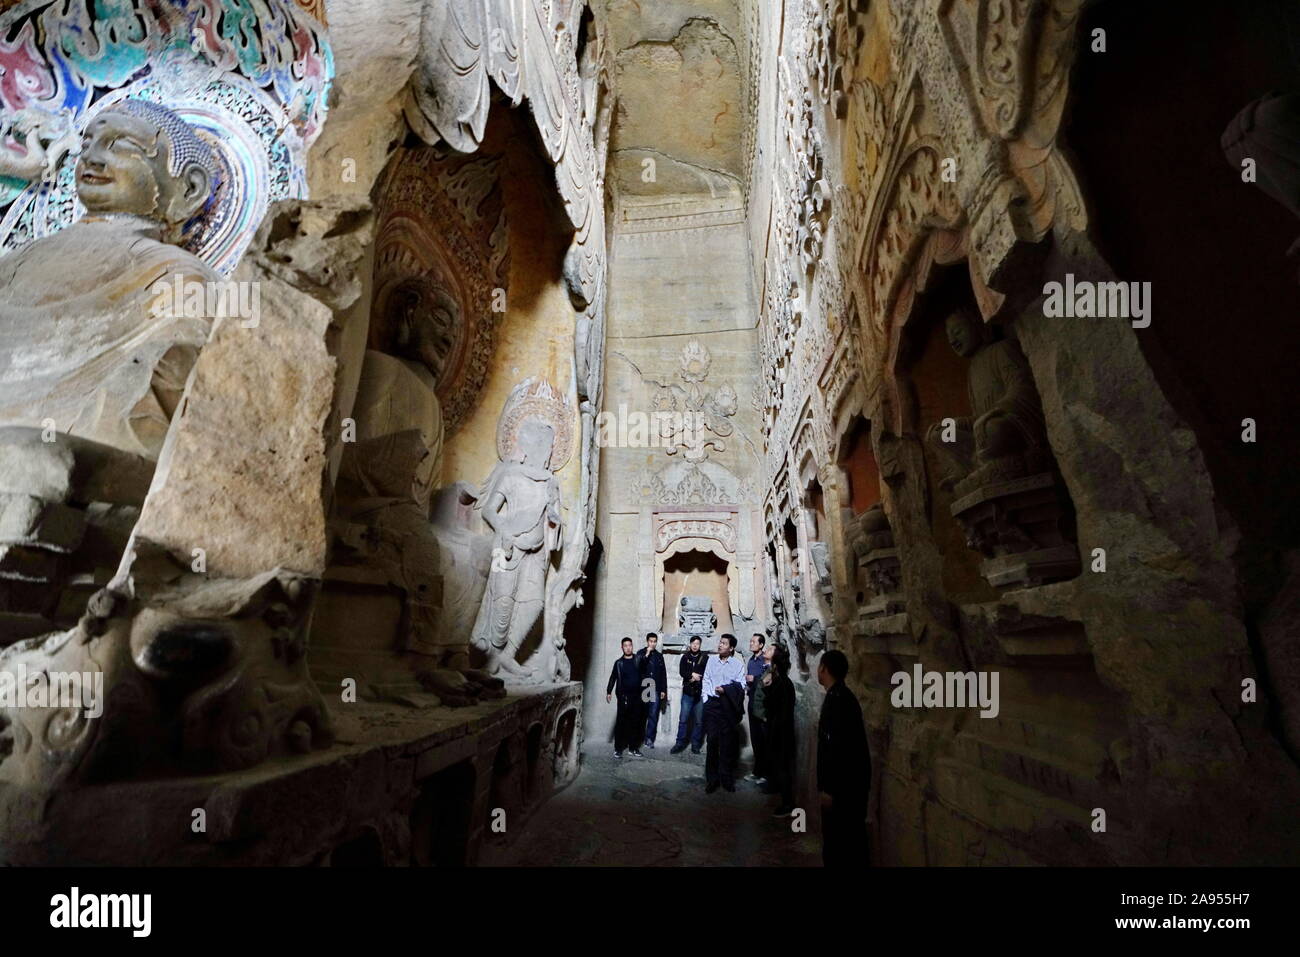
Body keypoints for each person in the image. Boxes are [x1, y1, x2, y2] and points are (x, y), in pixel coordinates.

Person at [816, 649, 871, 865]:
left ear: (824, 669)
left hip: (844, 790)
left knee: (841, 844)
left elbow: (838, 748)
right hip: (849, 787)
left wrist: (829, 789)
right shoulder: (840, 696)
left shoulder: (838, 700)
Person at [701, 633, 746, 792]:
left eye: (724, 643)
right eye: (720, 642)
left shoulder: (737, 664)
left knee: (727, 744)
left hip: (728, 706)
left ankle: (726, 778)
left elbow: (741, 685)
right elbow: (705, 679)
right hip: (712, 705)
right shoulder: (711, 660)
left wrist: (725, 690)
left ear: (731, 648)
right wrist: (706, 699)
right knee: (712, 741)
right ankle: (712, 779)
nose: (720, 645)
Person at [761, 644, 797, 817]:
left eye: (770, 650)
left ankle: (788, 804)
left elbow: (776, 706)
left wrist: (767, 688)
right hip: (778, 728)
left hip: (780, 730)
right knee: (779, 766)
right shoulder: (778, 679)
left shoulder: (781, 681)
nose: (765, 651)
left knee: (782, 767)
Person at [606, 638, 644, 758]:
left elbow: (644, 676)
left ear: (632, 646)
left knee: (635, 723)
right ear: (622, 647)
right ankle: (618, 749)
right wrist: (609, 691)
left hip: (637, 697)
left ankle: (633, 748)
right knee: (621, 723)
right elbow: (613, 677)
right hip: (623, 697)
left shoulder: (638, 659)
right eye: (625, 646)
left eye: (630, 645)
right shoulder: (619, 663)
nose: (628, 648)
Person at [670, 635, 708, 754]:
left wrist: (696, 677)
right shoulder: (685, 657)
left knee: (699, 721)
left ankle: (695, 745)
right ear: (690, 644)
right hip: (687, 693)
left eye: (697, 643)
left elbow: (705, 672)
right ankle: (679, 743)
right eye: (693, 643)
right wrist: (692, 675)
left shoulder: (704, 657)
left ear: (700, 645)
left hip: (700, 694)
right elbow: (682, 672)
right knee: (683, 720)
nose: (695, 645)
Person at [636, 632, 668, 749]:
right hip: (645, 686)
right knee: (642, 714)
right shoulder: (640, 653)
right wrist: (647, 654)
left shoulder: (659, 656)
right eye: (651, 641)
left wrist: (663, 690)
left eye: (655, 641)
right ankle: (638, 739)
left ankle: (649, 739)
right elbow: (638, 667)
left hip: (655, 688)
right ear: (647, 641)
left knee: (653, 714)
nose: (653, 644)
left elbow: (663, 674)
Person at [744, 633, 768, 784]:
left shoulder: (765, 661)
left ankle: (766, 773)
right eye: (750, 641)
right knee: (756, 739)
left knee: (764, 740)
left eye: (754, 642)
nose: (751, 643)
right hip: (752, 701)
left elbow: (768, 678)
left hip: (762, 705)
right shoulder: (751, 661)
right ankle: (757, 771)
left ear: (761, 645)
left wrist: (755, 679)